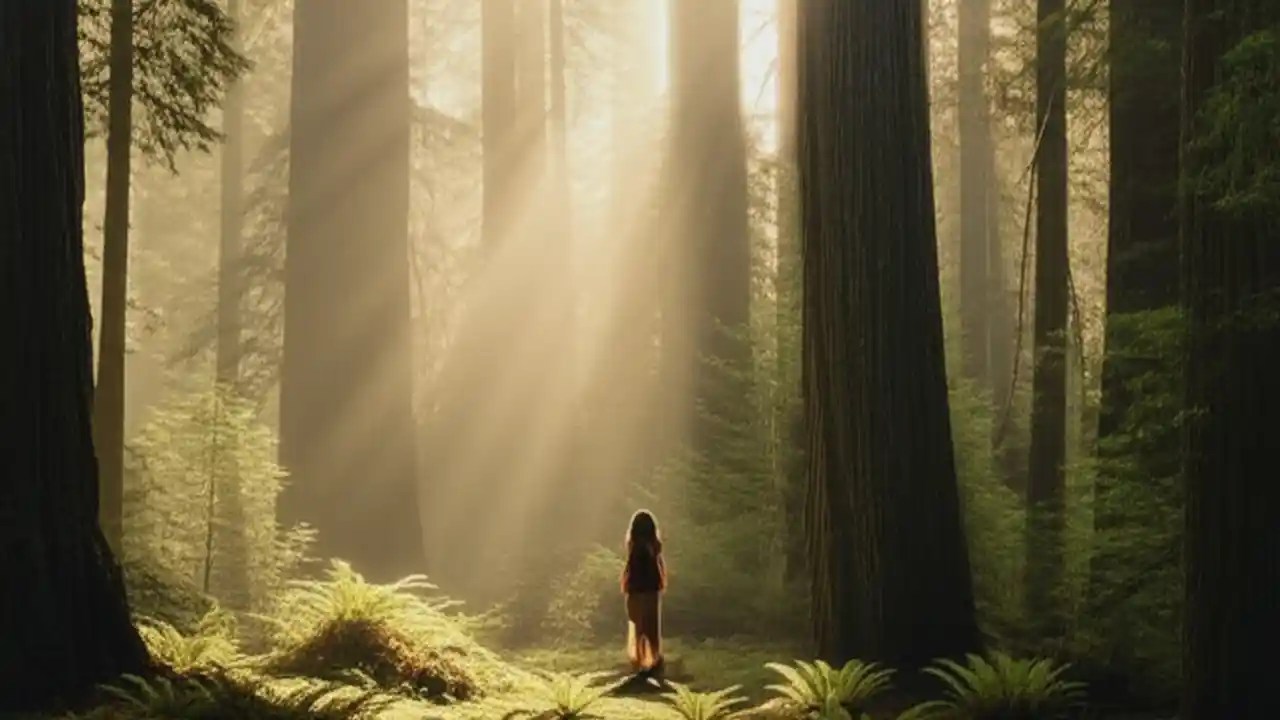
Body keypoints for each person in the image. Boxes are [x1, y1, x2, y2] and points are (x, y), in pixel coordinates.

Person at [620, 509, 667, 677]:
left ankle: (640, 661)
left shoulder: (635, 549)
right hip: (651, 590)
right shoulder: (654, 549)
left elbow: (630, 574)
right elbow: (658, 574)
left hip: (636, 591)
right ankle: (654, 659)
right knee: (651, 627)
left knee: (638, 628)